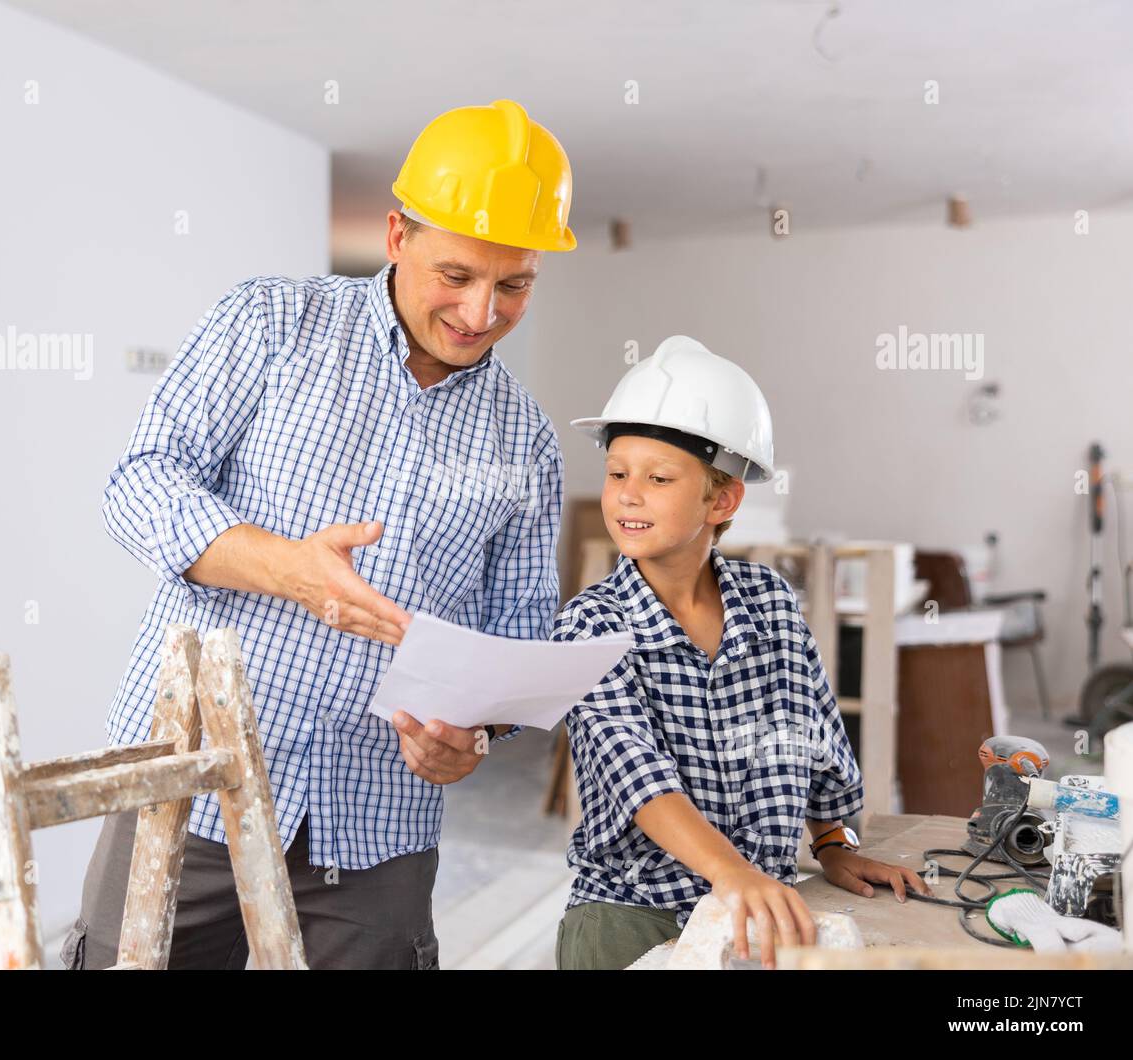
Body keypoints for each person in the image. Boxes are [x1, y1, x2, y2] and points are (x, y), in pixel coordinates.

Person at [62, 99, 577, 970]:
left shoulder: (525, 437)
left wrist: (478, 737)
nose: (481, 312)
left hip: (375, 824)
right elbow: (138, 483)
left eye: (514, 284)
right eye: (455, 274)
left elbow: (523, 626)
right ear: (395, 236)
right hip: (190, 786)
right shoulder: (271, 324)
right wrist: (286, 569)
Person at [552, 335, 930, 970]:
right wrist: (734, 875)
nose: (626, 495)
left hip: (756, 912)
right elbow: (637, 779)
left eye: (658, 477)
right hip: (632, 916)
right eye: (616, 473)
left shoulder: (771, 603)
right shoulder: (592, 623)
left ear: (722, 499)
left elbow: (818, 739)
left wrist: (834, 844)